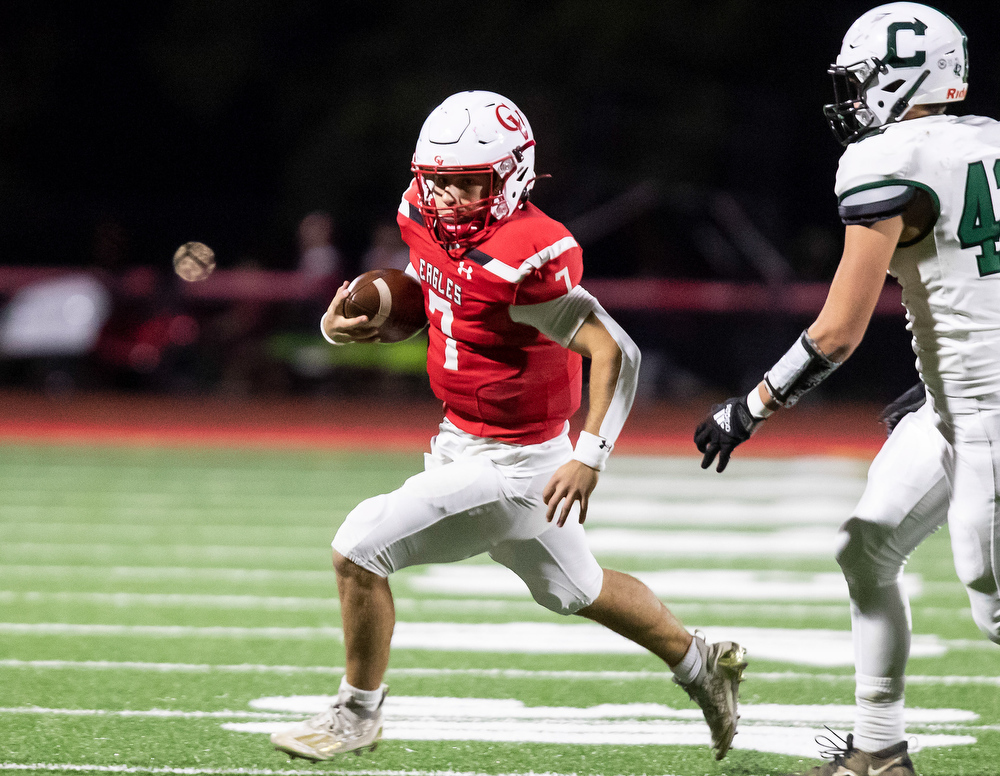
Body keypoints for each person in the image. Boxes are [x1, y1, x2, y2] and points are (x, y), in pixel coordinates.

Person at [270, 90, 747, 763]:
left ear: (512, 176)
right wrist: (348, 318)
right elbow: (433, 286)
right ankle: (702, 664)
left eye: (468, 184)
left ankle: (356, 714)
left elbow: (615, 350)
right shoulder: (423, 215)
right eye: (438, 181)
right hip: (462, 439)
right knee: (577, 589)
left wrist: (591, 455)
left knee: (358, 549)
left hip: (516, 463)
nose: (448, 199)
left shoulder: (527, 256)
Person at [693, 4, 1000, 775]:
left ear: (900, 78)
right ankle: (879, 750)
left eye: (862, 80)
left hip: (987, 414)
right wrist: (938, 379)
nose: (853, 97)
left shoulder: (887, 160)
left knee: (993, 609)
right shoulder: (989, 140)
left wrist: (749, 409)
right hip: (957, 404)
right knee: (867, 546)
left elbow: (837, 332)